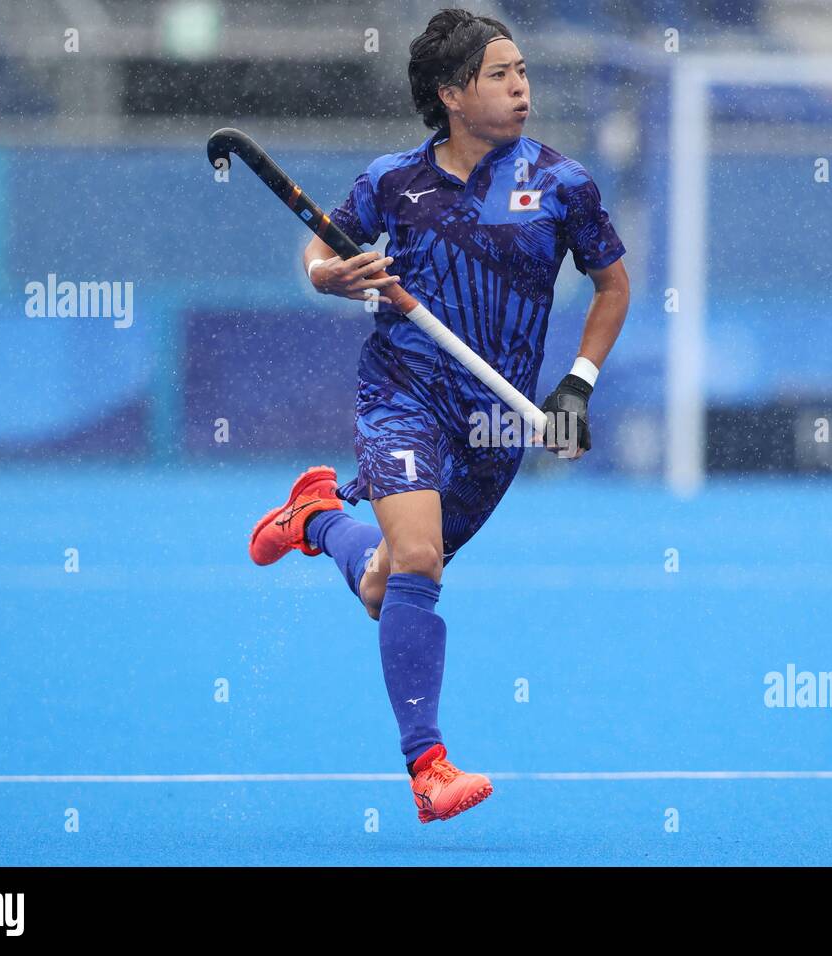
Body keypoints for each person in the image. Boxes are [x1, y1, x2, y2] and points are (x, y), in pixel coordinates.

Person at [248, 8, 631, 823]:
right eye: (501, 75)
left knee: (389, 585)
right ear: (453, 94)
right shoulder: (394, 181)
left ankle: (316, 520)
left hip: (494, 425)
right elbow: (324, 251)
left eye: (523, 70)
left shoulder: (563, 185)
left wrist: (577, 386)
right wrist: (333, 278)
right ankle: (428, 768)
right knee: (420, 558)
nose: (522, 86)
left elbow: (613, 284)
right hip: (403, 393)